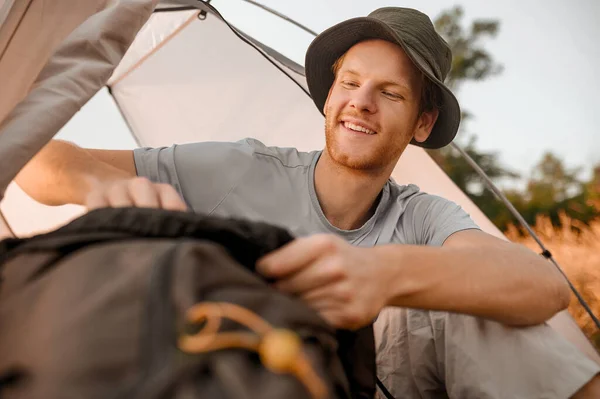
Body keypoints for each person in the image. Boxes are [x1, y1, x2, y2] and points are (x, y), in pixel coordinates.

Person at [15, 6, 600, 398]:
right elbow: (37, 158)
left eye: (389, 93)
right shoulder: (237, 167)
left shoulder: (420, 215)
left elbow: (543, 287)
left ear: (422, 124)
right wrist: (95, 186)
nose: (361, 102)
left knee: (476, 304)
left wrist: (381, 274)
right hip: (230, 371)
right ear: (327, 98)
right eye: (350, 83)